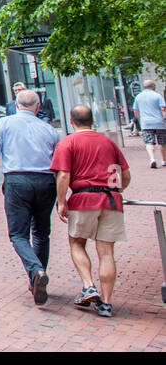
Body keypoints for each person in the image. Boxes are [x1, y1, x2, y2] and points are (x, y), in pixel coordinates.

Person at [0, 89, 62, 305]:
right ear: (37, 106)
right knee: (42, 233)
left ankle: (36, 271)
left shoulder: (4, 124)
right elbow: (59, 163)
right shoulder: (49, 129)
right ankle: (37, 276)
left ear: (16, 105)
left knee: (18, 234)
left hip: (17, 180)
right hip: (46, 181)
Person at [53, 104, 131, 318]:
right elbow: (125, 173)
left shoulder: (67, 142)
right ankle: (106, 303)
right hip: (110, 199)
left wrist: (61, 201)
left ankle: (88, 285)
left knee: (77, 242)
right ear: (92, 121)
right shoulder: (108, 142)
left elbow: (63, 175)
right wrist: (119, 189)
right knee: (106, 252)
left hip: (83, 198)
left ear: (71, 121)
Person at [132, 79, 166, 169]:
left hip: (146, 123)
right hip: (159, 122)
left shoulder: (138, 97)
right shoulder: (157, 95)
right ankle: (164, 160)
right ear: (153, 86)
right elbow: (163, 108)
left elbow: (135, 110)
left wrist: (140, 120)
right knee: (163, 142)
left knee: (149, 142)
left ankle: (152, 159)